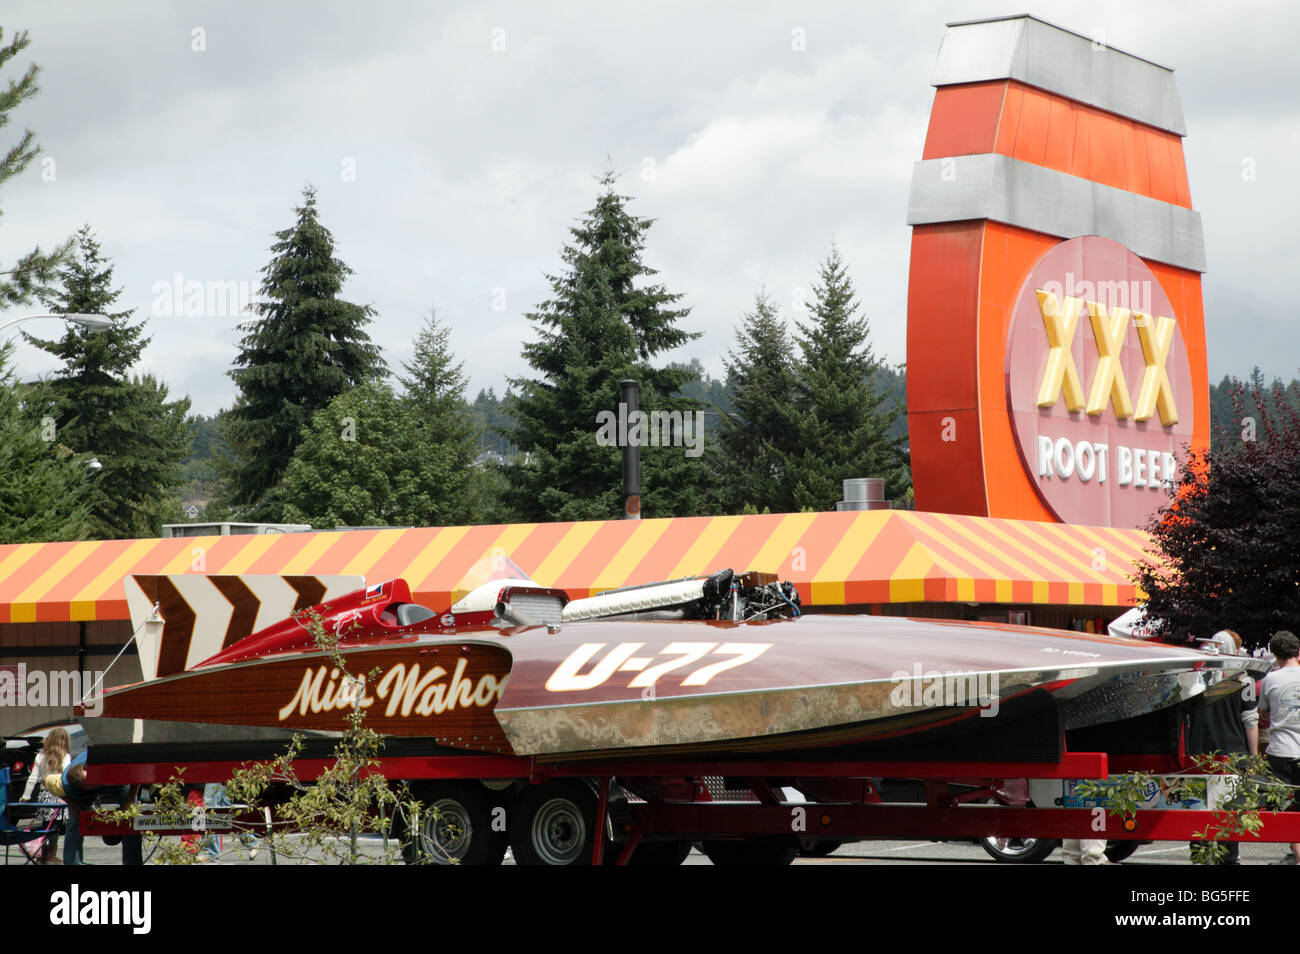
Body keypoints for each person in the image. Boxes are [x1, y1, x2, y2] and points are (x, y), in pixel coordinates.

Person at [1186, 630, 1258, 864]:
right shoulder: (1244, 678)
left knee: (1198, 809)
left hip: (1197, 754)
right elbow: (1250, 720)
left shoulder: (1193, 678)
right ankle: (1228, 859)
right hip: (1233, 753)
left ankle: (1199, 855)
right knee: (1228, 811)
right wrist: (1254, 756)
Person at [55, 751, 144, 866]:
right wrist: (72, 804)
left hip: (114, 777)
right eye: (90, 787)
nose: (94, 788)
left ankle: (133, 862)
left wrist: (130, 799)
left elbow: (137, 773)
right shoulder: (66, 783)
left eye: (93, 784)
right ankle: (72, 862)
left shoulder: (112, 767)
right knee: (76, 818)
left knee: (131, 817)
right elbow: (47, 782)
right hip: (85, 788)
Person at [1258, 629, 1300, 865]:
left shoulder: (1271, 679)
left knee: (1290, 806)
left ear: (1275, 654)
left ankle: (1297, 854)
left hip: (1280, 751)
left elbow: (1263, 714)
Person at [22, 728, 71, 864]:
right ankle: (51, 855)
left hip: (44, 794)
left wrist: (25, 796)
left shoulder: (40, 757)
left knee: (45, 825)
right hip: (58, 795)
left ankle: (42, 854)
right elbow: (65, 778)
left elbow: (33, 778)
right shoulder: (65, 757)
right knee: (55, 826)